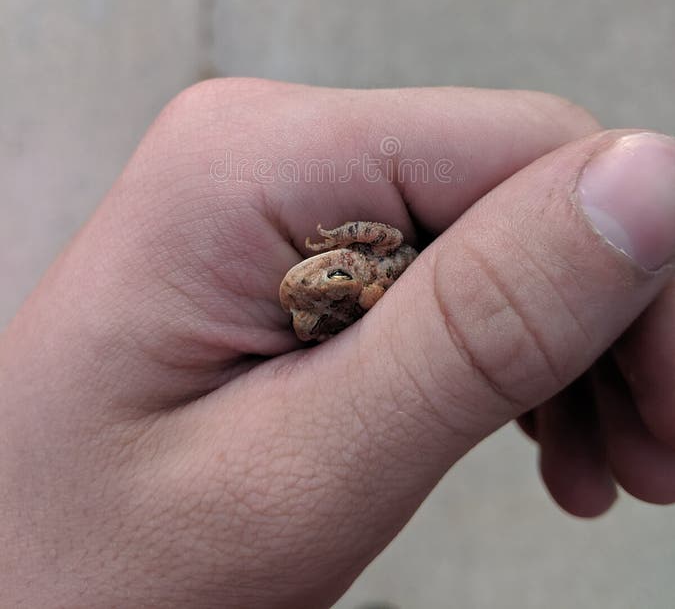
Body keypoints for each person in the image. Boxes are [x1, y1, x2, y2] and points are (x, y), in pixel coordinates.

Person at [2, 79, 674, 609]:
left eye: (316, 284)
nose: (301, 298)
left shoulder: (364, 266)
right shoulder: (325, 304)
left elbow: (382, 244)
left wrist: (340, 251)